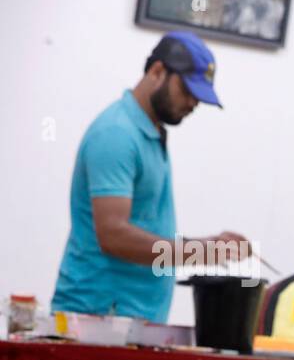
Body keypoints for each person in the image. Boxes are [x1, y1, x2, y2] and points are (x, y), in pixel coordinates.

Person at [52, 31, 251, 322]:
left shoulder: (150, 133)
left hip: (131, 318)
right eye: (187, 90)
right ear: (157, 71)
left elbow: (144, 229)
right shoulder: (117, 135)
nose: (193, 103)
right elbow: (113, 236)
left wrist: (206, 244)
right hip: (97, 317)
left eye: (199, 97)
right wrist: (199, 252)